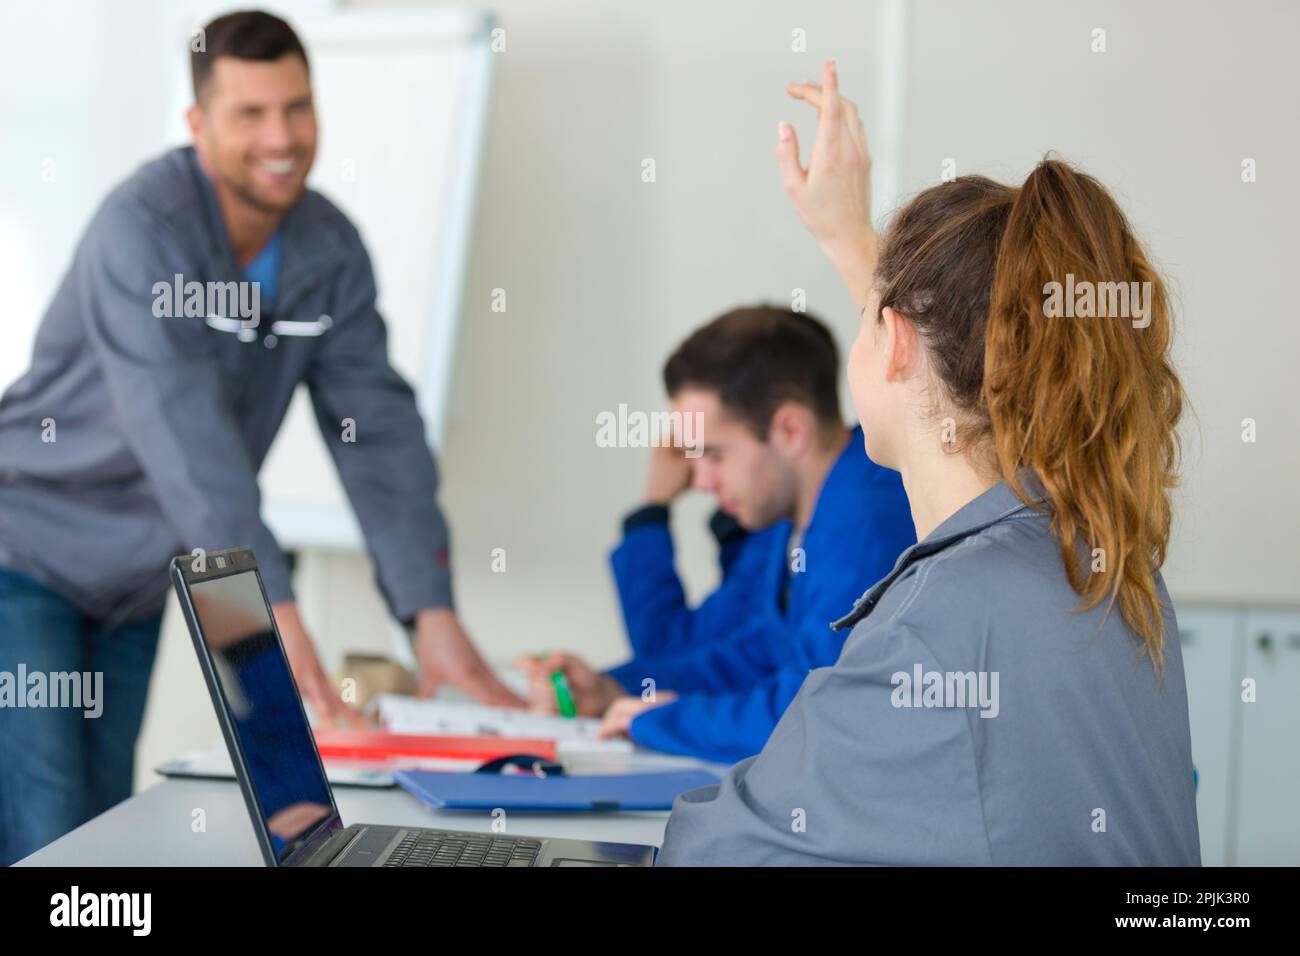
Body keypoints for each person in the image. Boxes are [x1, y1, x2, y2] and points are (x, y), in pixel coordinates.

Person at [0, 10, 519, 867]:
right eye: (250, 113)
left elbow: (378, 435)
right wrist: (267, 609)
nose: (281, 137)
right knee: (48, 830)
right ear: (197, 124)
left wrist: (431, 617)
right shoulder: (142, 228)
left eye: (298, 107)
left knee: (98, 829)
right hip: (26, 556)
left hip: (133, 583)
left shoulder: (330, 248)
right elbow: (183, 434)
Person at [655, 60, 1200, 864]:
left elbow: (710, 854)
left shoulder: (940, 622)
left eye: (868, 323)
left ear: (896, 342)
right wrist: (849, 242)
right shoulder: (1103, 563)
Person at [520, 306, 915, 763]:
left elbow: (816, 711)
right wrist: (615, 691)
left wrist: (658, 720)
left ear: (789, 431)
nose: (700, 482)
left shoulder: (866, 518)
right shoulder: (798, 520)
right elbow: (753, 655)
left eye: (714, 455)